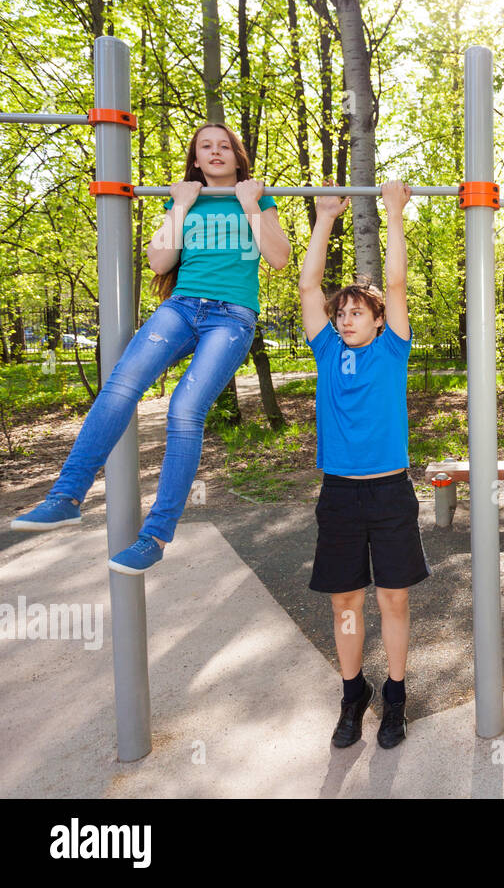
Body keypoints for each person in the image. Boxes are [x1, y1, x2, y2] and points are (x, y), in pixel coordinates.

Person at [11, 124, 290, 574]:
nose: (216, 152)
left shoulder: (258, 200)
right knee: (120, 385)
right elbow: (159, 262)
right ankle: (65, 497)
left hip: (232, 316)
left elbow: (278, 257)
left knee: (184, 410)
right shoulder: (182, 199)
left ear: (238, 158)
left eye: (225, 146)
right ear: (196, 160)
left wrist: (250, 203)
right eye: (206, 147)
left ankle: (155, 536)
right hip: (182, 307)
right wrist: (178, 205)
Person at [299, 180, 429, 750]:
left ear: (379, 321)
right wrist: (326, 216)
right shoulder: (328, 351)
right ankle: (354, 694)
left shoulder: (391, 348)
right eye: (342, 313)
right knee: (346, 603)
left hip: (390, 493)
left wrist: (393, 213)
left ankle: (395, 696)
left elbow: (396, 282)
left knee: (392, 598)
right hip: (341, 496)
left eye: (359, 312)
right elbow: (307, 285)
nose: (347, 318)